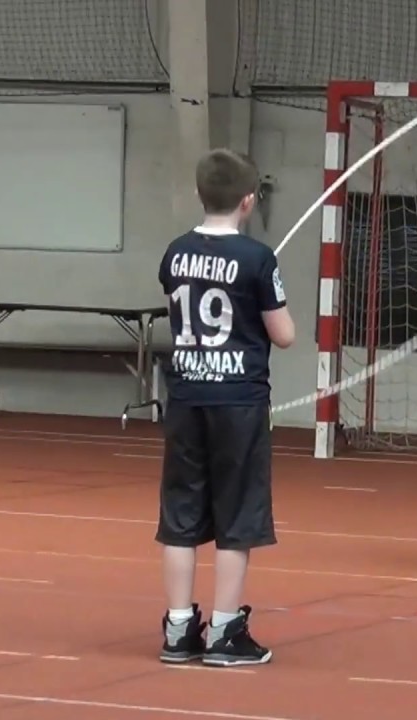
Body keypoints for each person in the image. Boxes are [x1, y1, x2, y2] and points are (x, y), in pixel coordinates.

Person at [155, 148, 296, 665]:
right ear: (249, 201)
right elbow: (283, 335)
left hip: (187, 396)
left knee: (181, 515)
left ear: (199, 194)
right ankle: (223, 630)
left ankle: (176, 628)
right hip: (238, 402)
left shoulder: (174, 253)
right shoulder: (258, 259)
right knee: (237, 515)